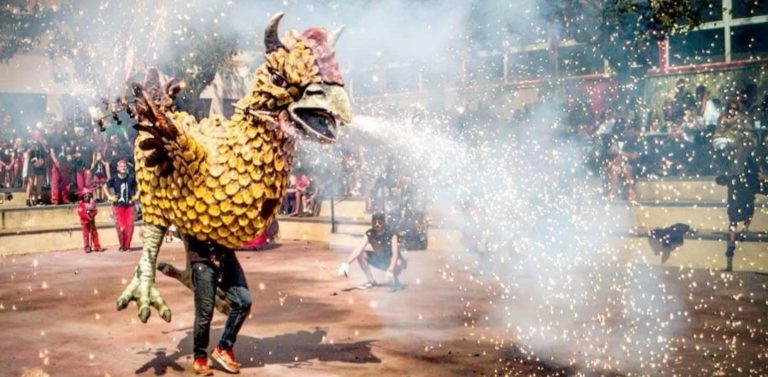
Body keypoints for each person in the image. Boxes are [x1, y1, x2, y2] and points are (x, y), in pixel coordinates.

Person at [185, 237, 251, 375]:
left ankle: (224, 347)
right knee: (205, 311)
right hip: (202, 258)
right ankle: (200, 357)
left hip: (226, 256)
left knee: (244, 301)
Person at [337, 212, 407, 291]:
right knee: (361, 254)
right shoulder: (370, 233)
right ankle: (371, 281)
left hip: (391, 261)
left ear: (383, 222)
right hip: (379, 260)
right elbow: (359, 249)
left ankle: (394, 280)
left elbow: (395, 254)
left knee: (399, 263)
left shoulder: (391, 233)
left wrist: (390, 269)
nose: (377, 224)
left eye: (379, 222)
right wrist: (347, 263)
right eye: (374, 222)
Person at [104, 160, 138, 252]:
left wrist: (137, 196)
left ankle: (127, 246)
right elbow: (105, 187)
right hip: (118, 206)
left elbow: (139, 186)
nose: (123, 167)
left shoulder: (131, 178)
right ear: (118, 168)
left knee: (129, 227)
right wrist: (110, 197)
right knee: (120, 227)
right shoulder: (114, 179)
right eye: (121, 166)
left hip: (129, 206)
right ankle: (122, 245)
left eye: (125, 166)